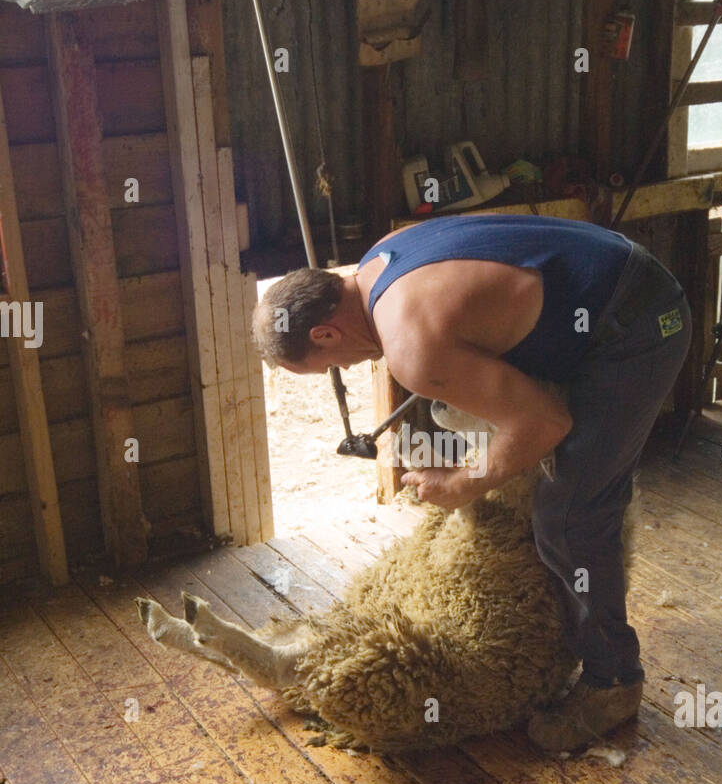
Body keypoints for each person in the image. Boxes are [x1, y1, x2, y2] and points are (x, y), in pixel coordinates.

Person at [252, 214, 692, 746]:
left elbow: (546, 422)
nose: (338, 370)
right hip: (614, 269)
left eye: (327, 366)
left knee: (571, 514)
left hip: (639, 323)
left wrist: (462, 484)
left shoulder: (412, 349)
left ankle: (613, 682)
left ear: (325, 333)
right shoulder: (377, 258)